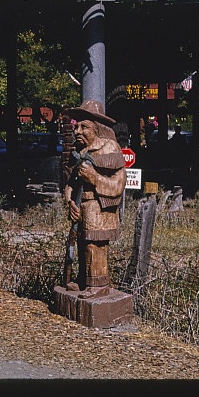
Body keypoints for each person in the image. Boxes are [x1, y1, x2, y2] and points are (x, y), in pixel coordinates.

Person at [62, 99, 127, 297]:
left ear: (97, 129)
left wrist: (95, 178)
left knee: (95, 245)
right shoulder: (79, 152)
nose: (78, 131)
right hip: (82, 206)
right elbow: (70, 182)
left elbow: (118, 184)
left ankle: (98, 286)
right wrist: (70, 200)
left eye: (84, 127)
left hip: (100, 207)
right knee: (81, 243)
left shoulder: (110, 148)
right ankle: (84, 280)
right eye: (77, 127)